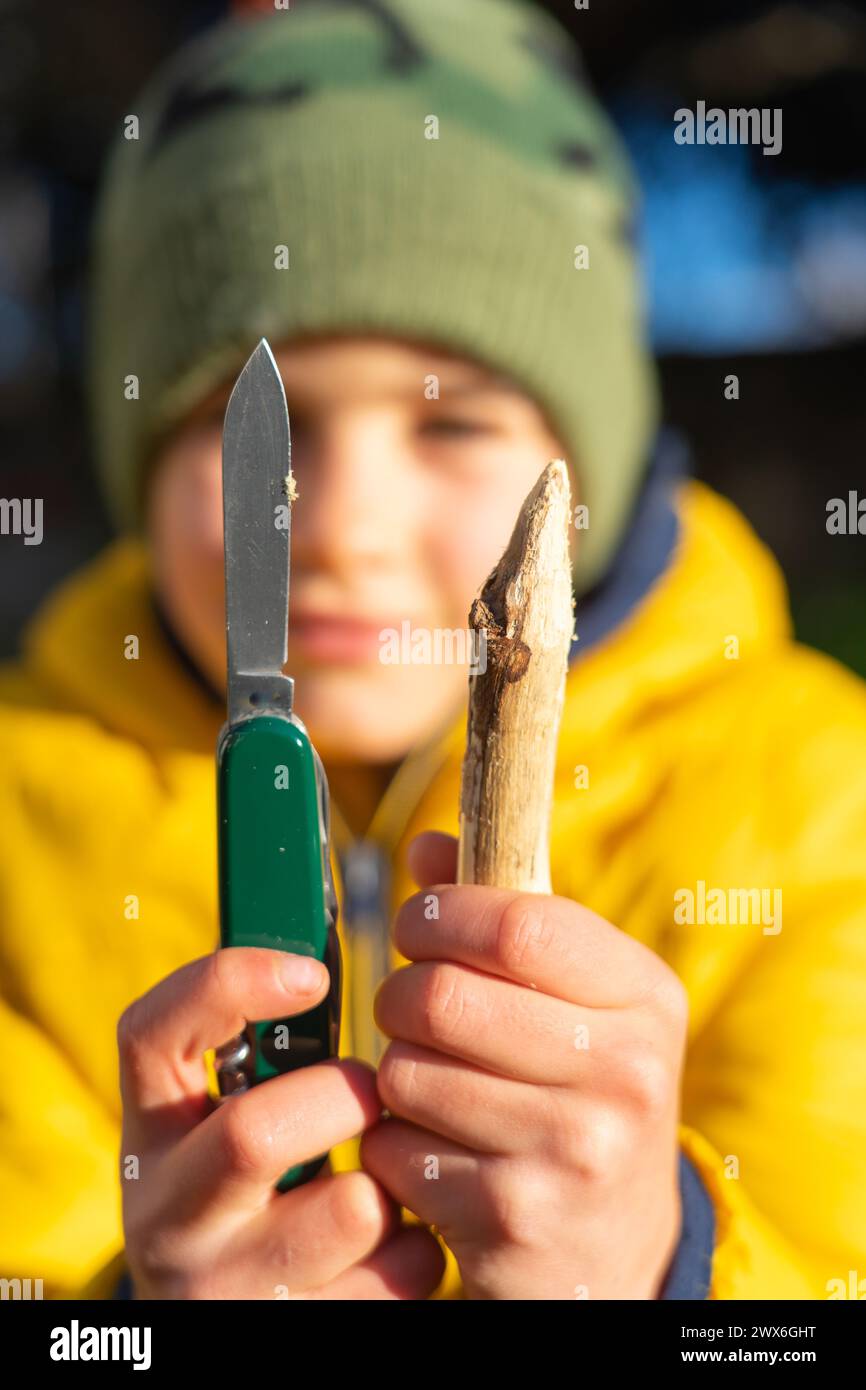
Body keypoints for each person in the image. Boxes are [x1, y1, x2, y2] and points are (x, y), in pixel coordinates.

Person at [2, 0, 865, 1301]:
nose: (338, 529)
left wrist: (658, 1264)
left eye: (451, 423)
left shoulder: (821, 805)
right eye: (252, 436)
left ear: (593, 463)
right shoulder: (18, 821)